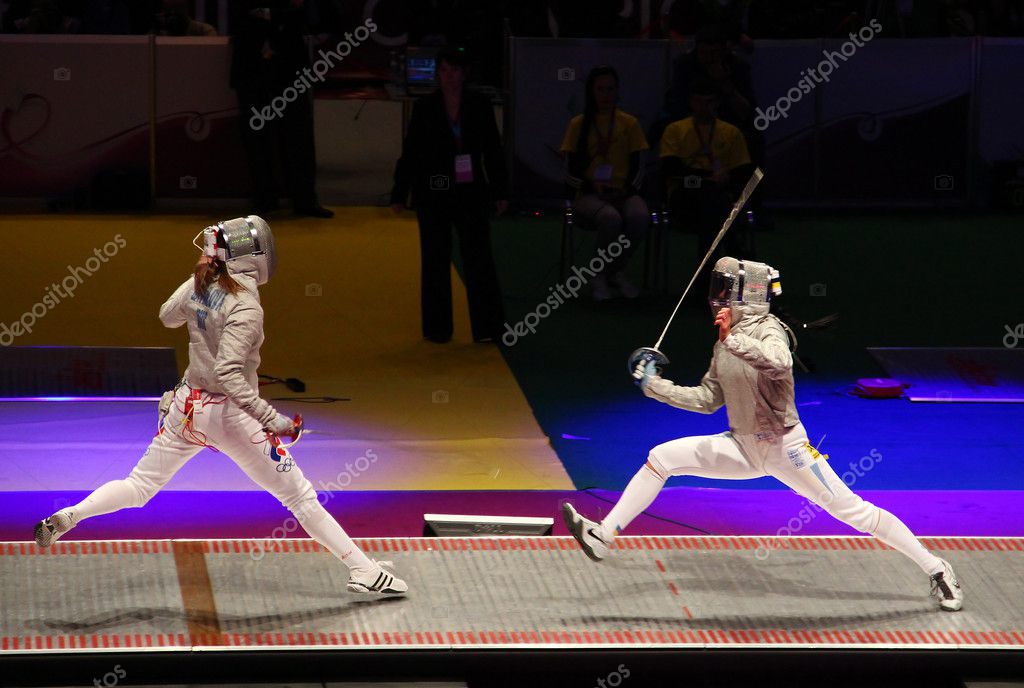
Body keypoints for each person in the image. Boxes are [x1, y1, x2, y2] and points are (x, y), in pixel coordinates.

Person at [562, 257, 964, 613]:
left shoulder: (770, 331)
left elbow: (779, 362)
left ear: (746, 294)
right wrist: (654, 385)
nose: (717, 299)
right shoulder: (724, 340)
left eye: (724, 290)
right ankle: (603, 535)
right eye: (716, 289)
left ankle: (938, 569)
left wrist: (732, 340)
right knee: (661, 457)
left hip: (787, 449)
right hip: (741, 445)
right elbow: (707, 399)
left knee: (854, 512)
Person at [33, 216, 406, 596]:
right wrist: (271, 419)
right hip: (228, 417)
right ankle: (363, 570)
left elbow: (167, 316)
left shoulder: (204, 284)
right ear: (253, 258)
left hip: (185, 408)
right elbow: (228, 374)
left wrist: (198, 282)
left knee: (139, 486)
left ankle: (71, 514)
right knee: (299, 497)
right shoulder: (246, 307)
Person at [390, 47, 508, 344]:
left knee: (479, 258)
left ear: (464, 73)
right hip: (435, 189)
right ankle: (437, 328)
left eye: (454, 70)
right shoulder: (425, 107)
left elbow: (493, 149)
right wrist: (399, 192)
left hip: (471, 190)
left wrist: (500, 190)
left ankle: (489, 327)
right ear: (437, 74)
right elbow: (412, 151)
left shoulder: (479, 105)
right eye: (444, 70)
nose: (449, 76)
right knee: (435, 259)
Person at [230, 0, 334, 218]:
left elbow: (309, 16)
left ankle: (304, 200)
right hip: (251, 70)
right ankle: (265, 197)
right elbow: (240, 14)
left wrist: (268, 14)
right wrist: (278, 14)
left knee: (299, 137)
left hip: (290, 70)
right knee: (257, 139)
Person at [560, 65, 650, 301]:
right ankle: (598, 274)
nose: (605, 95)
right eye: (600, 89)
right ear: (591, 91)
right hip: (587, 194)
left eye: (610, 89)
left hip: (623, 192)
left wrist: (626, 191)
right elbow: (569, 169)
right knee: (611, 218)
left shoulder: (629, 123)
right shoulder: (578, 124)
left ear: (617, 91)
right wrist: (591, 186)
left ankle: (615, 271)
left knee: (640, 216)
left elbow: (639, 165)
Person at [660, 77, 753, 300]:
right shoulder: (675, 130)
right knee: (718, 210)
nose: (704, 107)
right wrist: (706, 179)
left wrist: (723, 180)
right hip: (684, 198)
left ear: (717, 103)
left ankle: (706, 285)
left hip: (720, 198)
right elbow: (670, 169)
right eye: (699, 102)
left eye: (709, 102)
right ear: (691, 102)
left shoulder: (731, 132)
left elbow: (743, 173)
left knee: (715, 211)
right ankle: (734, 278)